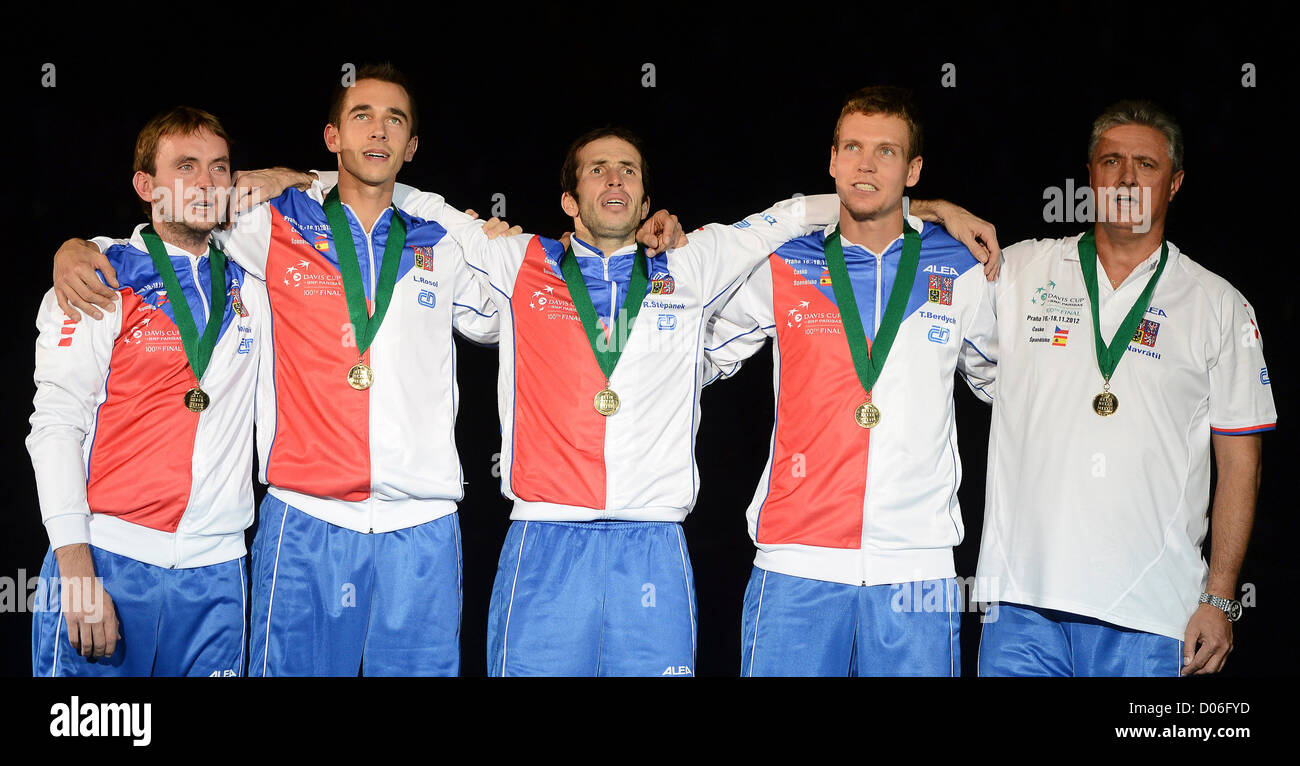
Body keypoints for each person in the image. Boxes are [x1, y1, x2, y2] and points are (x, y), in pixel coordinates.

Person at [390, 122, 998, 675]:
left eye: (628, 170)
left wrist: (922, 208)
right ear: (569, 202)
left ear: (648, 204)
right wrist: (310, 181)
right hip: (545, 538)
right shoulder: (519, 260)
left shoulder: (689, 266)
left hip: (655, 543)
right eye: (597, 169)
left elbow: (787, 217)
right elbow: (423, 205)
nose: (614, 178)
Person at [53, 65, 502, 676]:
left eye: (394, 120)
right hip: (277, 524)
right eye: (361, 117)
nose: (378, 132)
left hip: (295, 546)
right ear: (331, 135)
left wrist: (488, 239)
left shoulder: (437, 241)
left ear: (412, 145)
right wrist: (74, 248)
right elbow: (57, 418)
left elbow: (512, 320)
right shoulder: (252, 237)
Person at [703, 86, 1000, 676]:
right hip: (795, 559)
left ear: (913, 169)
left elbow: (1013, 387)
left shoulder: (965, 266)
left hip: (917, 567)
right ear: (832, 160)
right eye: (854, 148)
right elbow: (701, 353)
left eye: (887, 151)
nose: (867, 164)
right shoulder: (786, 261)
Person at [973, 100, 1275, 676]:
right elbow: (916, 269)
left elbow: (1241, 464)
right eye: (1111, 161)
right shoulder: (1017, 272)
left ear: (1175, 182)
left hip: (1153, 613)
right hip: (1020, 605)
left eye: (1146, 164)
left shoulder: (1219, 305)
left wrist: (1218, 598)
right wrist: (936, 208)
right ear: (1090, 177)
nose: (1127, 178)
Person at [29, 106, 264, 676]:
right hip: (110, 560)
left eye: (220, 168)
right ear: (145, 185)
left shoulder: (257, 282)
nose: (206, 184)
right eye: (186, 167)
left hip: (218, 574)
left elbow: (351, 183)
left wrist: (283, 178)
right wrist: (77, 573)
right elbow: (57, 423)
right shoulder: (100, 276)